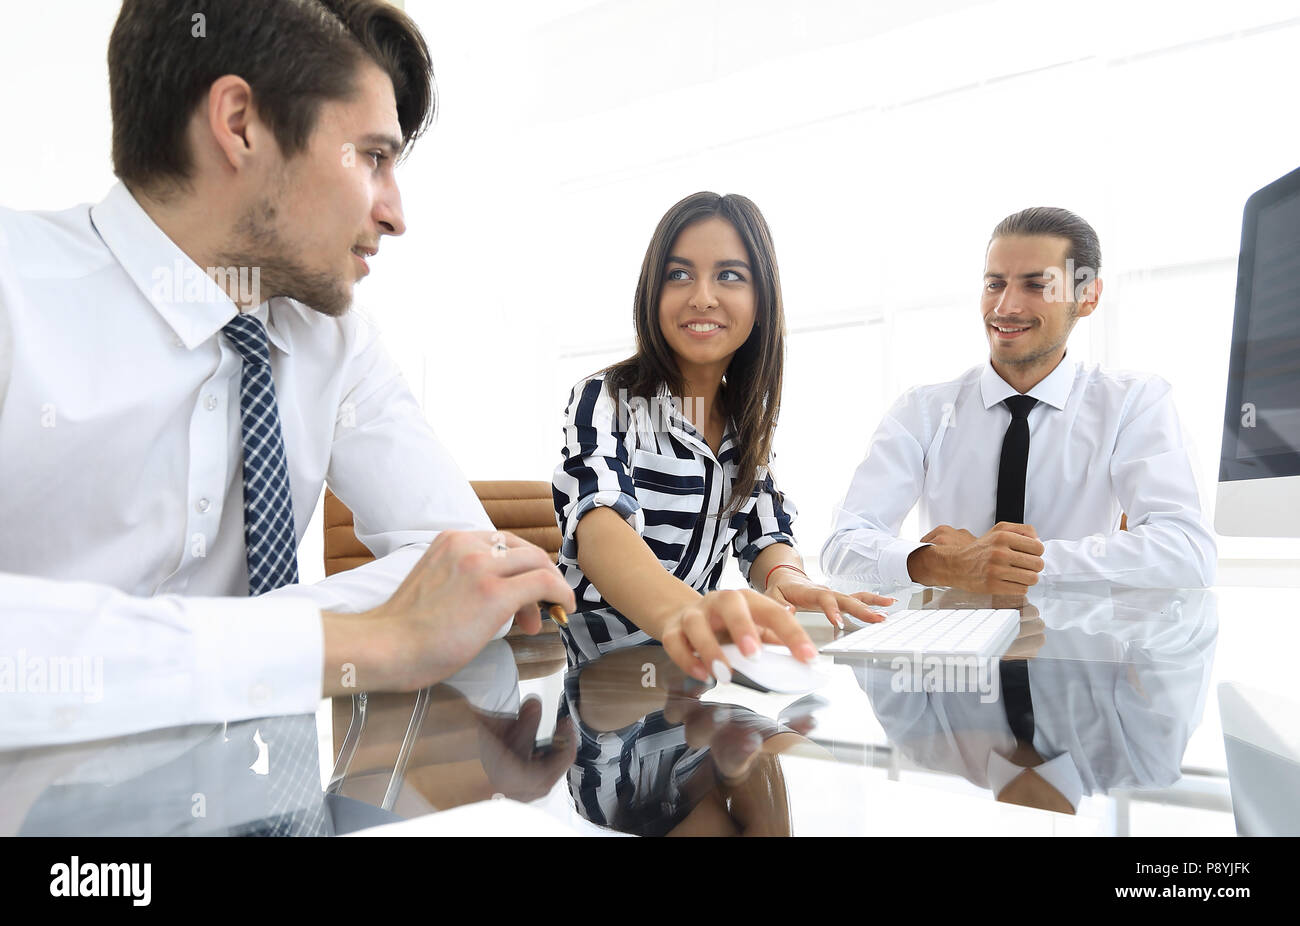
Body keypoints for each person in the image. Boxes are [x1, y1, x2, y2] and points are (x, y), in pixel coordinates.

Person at [0, 0, 573, 751]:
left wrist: (149, 649)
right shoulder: (15, 286)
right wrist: (357, 643)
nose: (396, 214)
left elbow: (473, 566)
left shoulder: (334, 337)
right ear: (239, 124)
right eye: (371, 157)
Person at [552, 192, 891, 682]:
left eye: (729, 275)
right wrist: (695, 616)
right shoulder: (608, 399)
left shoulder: (745, 424)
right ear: (653, 290)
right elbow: (601, 528)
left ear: (761, 299)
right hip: (602, 680)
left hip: (689, 683)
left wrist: (788, 578)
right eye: (679, 274)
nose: (702, 296)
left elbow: (765, 532)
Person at [820, 206, 1216, 594]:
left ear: (1088, 297)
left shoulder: (1133, 403)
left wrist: (1013, 565)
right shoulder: (921, 411)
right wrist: (942, 562)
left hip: (1077, 653)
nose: (1005, 307)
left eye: (1036, 285)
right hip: (952, 651)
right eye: (994, 284)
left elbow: (1187, 552)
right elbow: (842, 546)